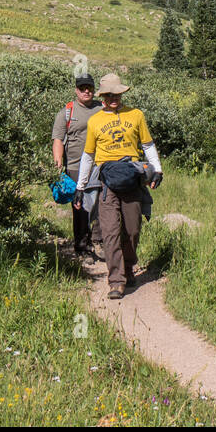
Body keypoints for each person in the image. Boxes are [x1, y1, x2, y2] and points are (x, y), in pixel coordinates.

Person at [74, 72, 162, 299]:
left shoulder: (136, 115)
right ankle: (116, 280)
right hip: (107, 183)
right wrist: (80, 187)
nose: (114, 98)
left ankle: (129, 266)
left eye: (118, 94)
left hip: (132, 177)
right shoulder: (95, 121)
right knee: (111, 232)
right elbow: (88, 155)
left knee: (132, 229)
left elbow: (148, 145)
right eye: (110, 94)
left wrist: (157, 169)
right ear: (103, 96)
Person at [52, 73, 103, 255]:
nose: (86, 91)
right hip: (74, 165)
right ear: (76, 90)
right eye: (82, 88)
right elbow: (58, 139)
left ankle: (99, 241)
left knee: (102, 205)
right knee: (80, 208)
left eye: (89, 87)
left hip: (100, 165)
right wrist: (58, 166)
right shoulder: (67, 112)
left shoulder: (102, 108)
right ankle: (82, 247)